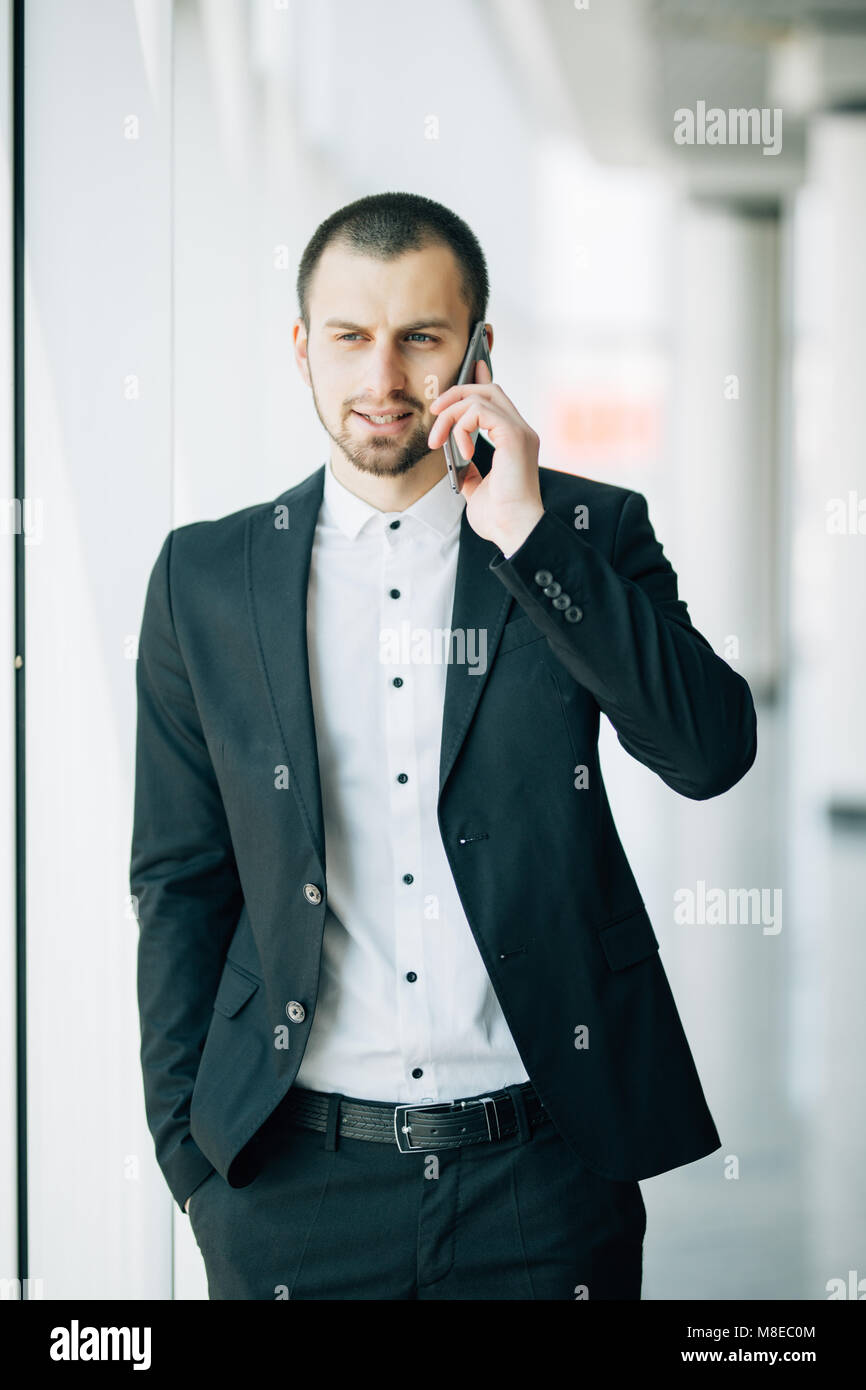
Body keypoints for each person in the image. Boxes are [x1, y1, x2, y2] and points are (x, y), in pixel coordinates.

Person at [130, 191, 757, 1300]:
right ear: (301, 349)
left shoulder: (583, 533)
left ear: (477, 350)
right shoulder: (205, 578)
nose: (381, 379)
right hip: (290, 1185)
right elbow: (180, 879)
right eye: (350, 338)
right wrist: (193, 1160)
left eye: (419, 337)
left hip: (540, 1179)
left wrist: (518, 528)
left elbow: (707, 752)